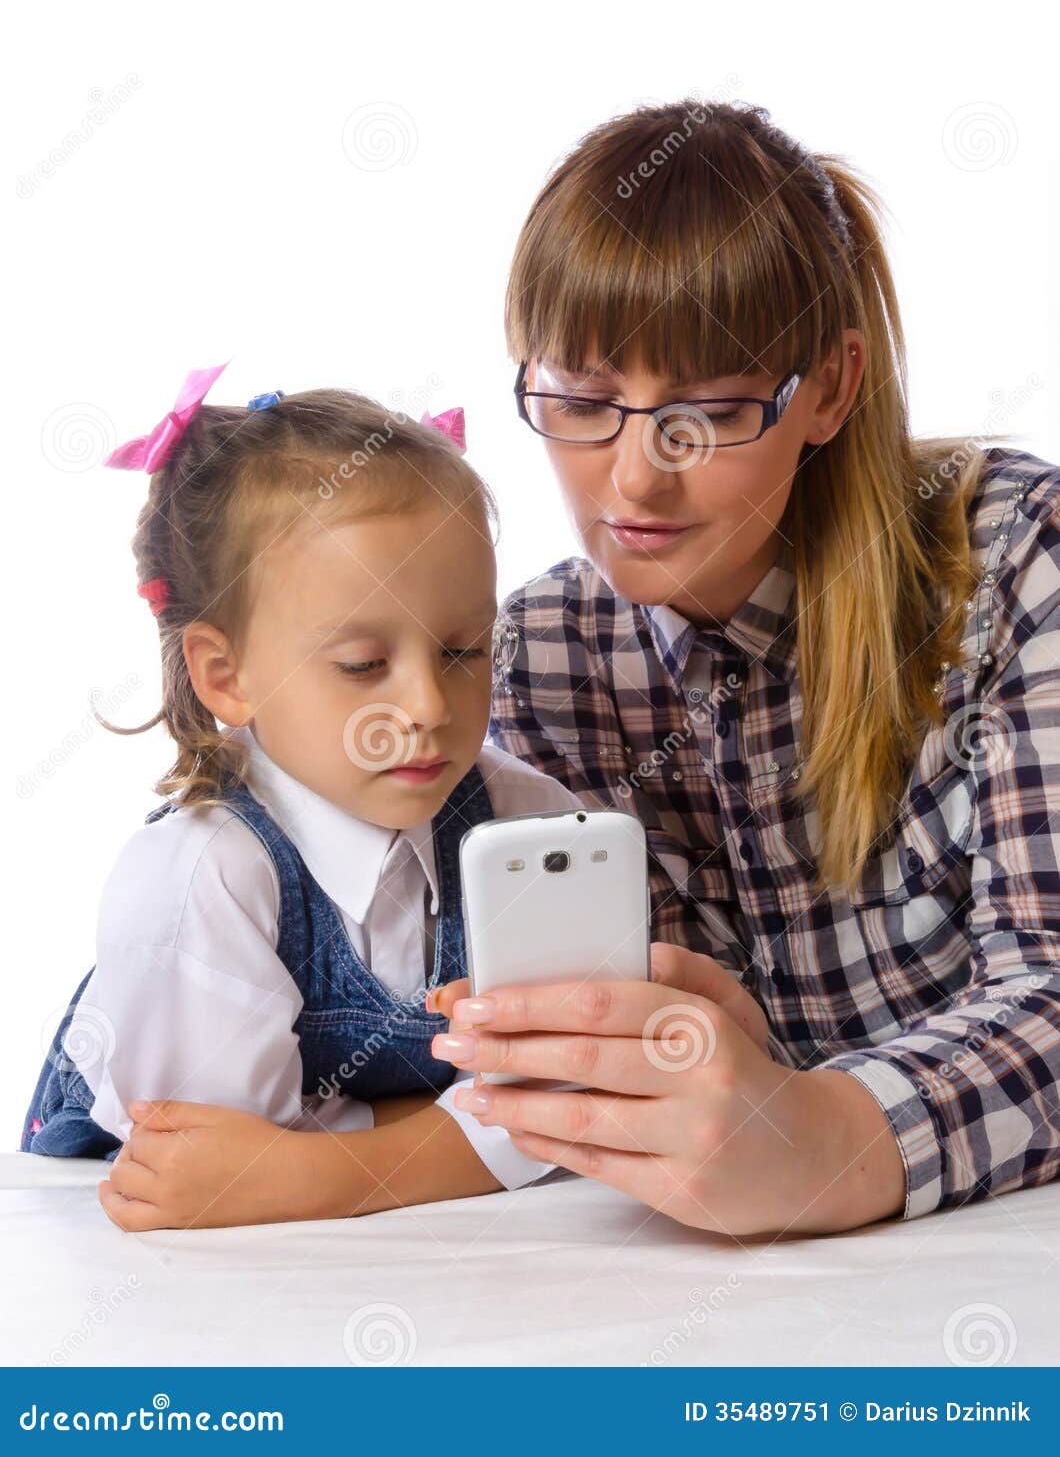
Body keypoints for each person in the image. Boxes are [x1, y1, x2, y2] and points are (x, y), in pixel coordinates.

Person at [97, 100, 1060, 1236]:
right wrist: (720, 1053)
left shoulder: (1006, 560)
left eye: (706, 410)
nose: (635, 482)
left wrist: (834, 1138)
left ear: (832, 391)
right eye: (583, 401)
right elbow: (562, 1083)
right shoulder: (531, 654)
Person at [23, 372, 574, 1218]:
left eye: (463, 651)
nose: (429, 707)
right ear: (226, 676)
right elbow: (221, 1173)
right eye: (362, 665)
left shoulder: (527, 825)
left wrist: (336, 1162)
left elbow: (573, 1101)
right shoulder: (197, 877)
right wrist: (459, 1126)